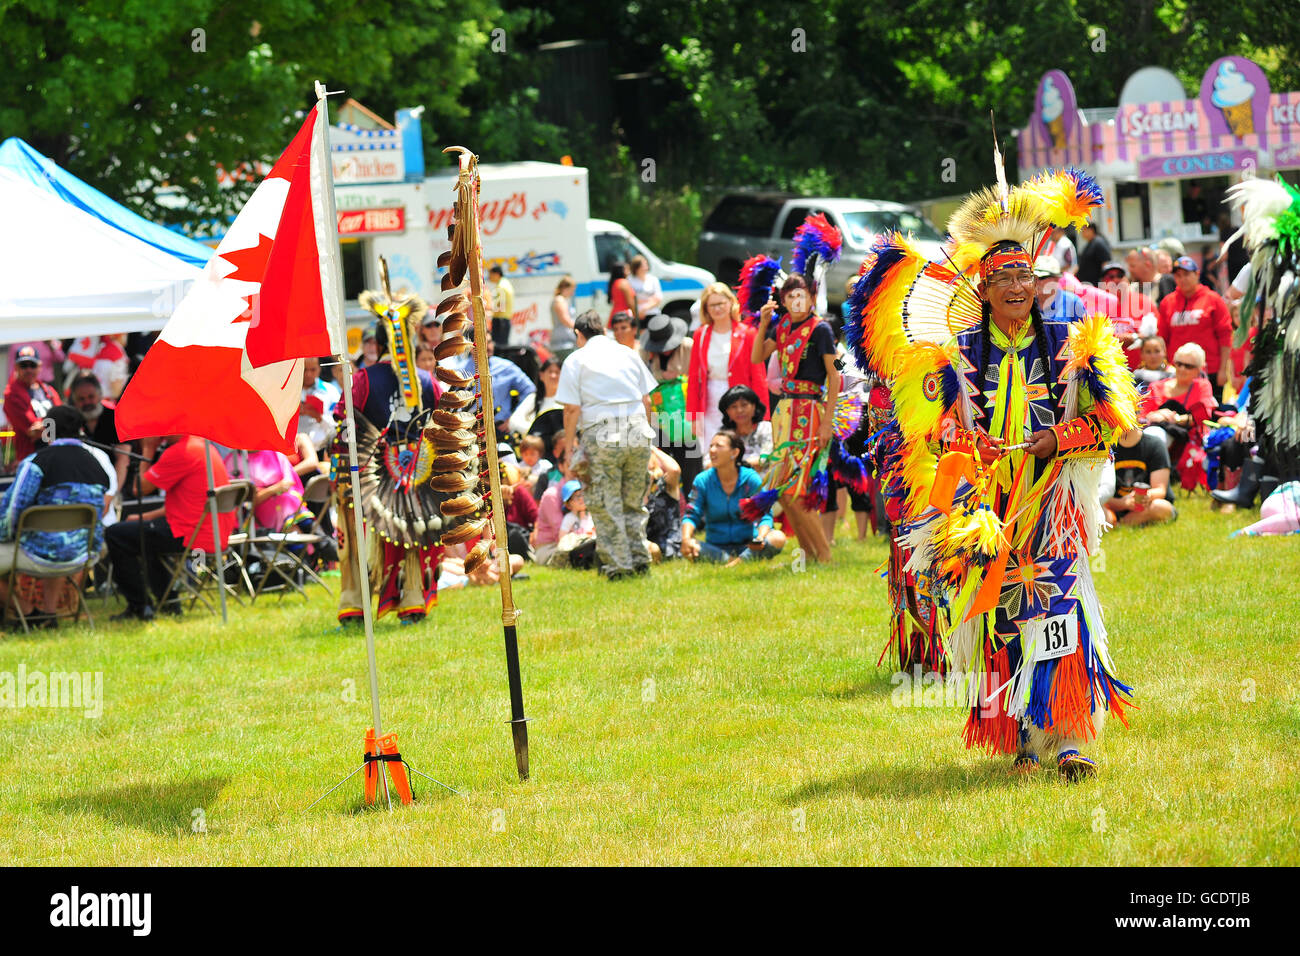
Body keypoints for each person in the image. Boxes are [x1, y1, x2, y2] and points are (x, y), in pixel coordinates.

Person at [854, 165, 1135, 779]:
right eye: (1002, 275)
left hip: (1051, 501)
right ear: (982, 287)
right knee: (1005, 618)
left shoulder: (1073, 340)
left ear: (1038, 285)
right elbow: (930, 436)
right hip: (987, 506)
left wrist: (1056, 438)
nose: (1015, 284)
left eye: (1024, 275)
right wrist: (960, 489)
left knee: (1058, 610)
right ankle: (1025, 741)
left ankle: (1067, 739)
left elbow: (1120, 424)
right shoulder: (956, 358)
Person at [336, 287, 447, 624]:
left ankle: (356, 602)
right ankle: (412, 599)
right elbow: (442, 424)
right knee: (413, 528)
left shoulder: (363, 380)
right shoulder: (429, 381)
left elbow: (345, 420)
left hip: (372, 474)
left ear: (379, 344)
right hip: (418, 471)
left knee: (361, 533)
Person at [557, 310, 658, 580]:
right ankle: (640, 560)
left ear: (579, 334)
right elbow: (647, 400)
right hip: (637, 430)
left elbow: (571, 409)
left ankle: (619, 566)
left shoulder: (577, 359)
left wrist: (569, 447)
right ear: (601, 329)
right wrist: (648, 438)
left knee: (605, 501)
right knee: (633, 500)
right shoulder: (627, 353)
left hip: (601, 433)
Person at [751, 274, 838, 564]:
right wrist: (763, 323)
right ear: (783, 301)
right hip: (784, 412)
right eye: (790, 296)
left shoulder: (821, 329)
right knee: (785, 493)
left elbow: (834, 376)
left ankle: (824, 556)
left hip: (809, 411)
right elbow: (756, 358)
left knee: (797, 489)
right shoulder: (782, 326)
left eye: (801, 295)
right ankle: (809, 554)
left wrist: (827, 423)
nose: (796, 301)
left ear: (812, 298)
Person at [104, 434, 236, 621]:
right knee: (142, 534)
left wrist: (148, 449)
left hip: (193, 535)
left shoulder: (180, 452)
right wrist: (146, 517)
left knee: (115, 534)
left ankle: (139, 606)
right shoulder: (203, 446)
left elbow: (139, 488)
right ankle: (168, 601)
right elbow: (189, 502)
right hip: (214, 532)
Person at [0, 406, 110, 627]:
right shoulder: (98, 466)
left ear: (48, 429)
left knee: (48, 540)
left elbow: (12, 511)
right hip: (83, 554)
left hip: (37, 554)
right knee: (59, 538)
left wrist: (4, 537)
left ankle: (28, 613)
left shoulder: (36, 463)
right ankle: (48, 615)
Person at [687, 282, 768, 456]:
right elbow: (694, 377)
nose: (717, 309)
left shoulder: (748, 333)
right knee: (712, 452)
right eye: (712, 305)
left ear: (731, 303)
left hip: (739, 401)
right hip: (709, 400)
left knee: (738, 450)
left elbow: (758, 376)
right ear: (706, 309)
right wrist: (693, 417)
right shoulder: (700, 335)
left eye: (721, 303)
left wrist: (763, 416)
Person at [681, 430, 785, 563]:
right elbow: (691, 514)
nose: (712, 450)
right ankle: (739, 562)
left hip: (749, 545)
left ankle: (735, 562)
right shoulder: (702, 480)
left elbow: (764, 514)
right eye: (711, 446)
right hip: (716, 547)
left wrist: (760, 537)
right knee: (691, 546)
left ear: (734, 453)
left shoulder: (750, 479)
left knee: (777, 537)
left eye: (718, 446)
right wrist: (686, 539)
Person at [1157, 255, 1233, 404]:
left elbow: (1225, 336)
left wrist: (1223, 370)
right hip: (1178, 371)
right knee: (1179, 414)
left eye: (1186, 274)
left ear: (1197, 274)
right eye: (1178, 275)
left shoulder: (1213, 299)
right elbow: (1162, 338)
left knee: (1210, 415)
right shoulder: (1168, 302)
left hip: (1209, 370)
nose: (1182, 279)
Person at [1142, 342, 1215, 490]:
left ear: (1199, 369)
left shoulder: (1202, 386)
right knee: (1153, 434)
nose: (1182, 369)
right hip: (1157, 431)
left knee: (1154, 435)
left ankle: (1156, 484)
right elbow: (1142, 416)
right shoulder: (1157, 386)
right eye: (1179, 364)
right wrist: (1158, 414)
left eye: (1188, 366)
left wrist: (1175, 419)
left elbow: (1205, 416)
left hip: (1187, 437)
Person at [640, 312, 698, 491]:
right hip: (659, 419)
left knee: (690, 466)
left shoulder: (688, 347)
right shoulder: (644, 353)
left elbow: (700, 376)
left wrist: (680, 377)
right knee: (663, 467)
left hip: (687, 418)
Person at [1105, 412, 1175, 527]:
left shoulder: (1154, 444)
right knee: (1095, 509)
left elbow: (1160, 490)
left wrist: (1145, 496)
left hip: (1146, 506)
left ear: (1137, 414)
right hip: (1115, 505)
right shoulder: (1106, 447)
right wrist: (1123, 503)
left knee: (1160, 507)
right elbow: (1098, 494)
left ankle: (1120, 524)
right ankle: (1120, 523)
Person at [68, 372, 129, 496]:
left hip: (116, 484)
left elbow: (123, 459)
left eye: (91, 397)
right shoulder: (70, 421)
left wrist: (113, 494)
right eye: (81, 399)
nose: (87, 403)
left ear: (100, 395)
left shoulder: (116, 417)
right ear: (74, 401)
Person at [461, 331, 536, 431]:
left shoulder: (506, 367)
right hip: (468, 432)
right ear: (470, 347)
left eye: (490, 342)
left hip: (500, 430)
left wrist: (514, 418)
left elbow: (530, 391)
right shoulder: (459, 372)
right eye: (482, 342)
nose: (488, 346)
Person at [4, 345, 62, 464]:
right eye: (24, 366)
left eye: (32, 365)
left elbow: (63, 418)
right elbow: (32, 430)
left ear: (39, 367)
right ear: (16, 367)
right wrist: (55, 426)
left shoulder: (48, 390)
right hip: (32, 459)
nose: (29, 369)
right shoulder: (12, 393)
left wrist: (44, 427)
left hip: (55, 454)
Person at [1098, 259, 1153, 369]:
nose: (1116, 280)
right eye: (1110, 277)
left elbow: (1154, 335)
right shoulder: (1096, 306)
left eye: (1120, 275)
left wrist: (1133, 337)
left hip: (1139, 371)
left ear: (1127, 280)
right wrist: (1118, 339)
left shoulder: (1143, 302)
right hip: (1108, 372)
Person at [718, 385, 772, 476]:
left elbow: (765, 460)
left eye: (744, 405)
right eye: (734, 407)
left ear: (754, 406)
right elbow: (709, 464)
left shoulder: (766, 428)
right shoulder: (724, 435)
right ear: (727, 412)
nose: (739, 410)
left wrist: (731, 466)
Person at [1032, 255, 1085, 322]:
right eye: (1034, 278)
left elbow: (1086, 330)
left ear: (1056, 280)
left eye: (1042, 278)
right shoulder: (1028, 303)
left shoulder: (1073, 302)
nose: (1037, 282)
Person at [628, 255, 663, 323]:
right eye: (643, 265)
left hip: (653, 313)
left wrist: (644, 309)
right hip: (637, 315)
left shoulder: (653, 279)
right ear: (636, 268)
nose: (646, 267)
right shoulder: (630, 280)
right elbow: (630, 299)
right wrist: (649, 299)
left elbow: (658, 298)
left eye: (646, 264)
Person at [1076, 220, 1112, 285]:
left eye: (1084, 230)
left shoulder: (1099, 242)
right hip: (1086, 282)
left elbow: (1105, 262)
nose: (1082, 232)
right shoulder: (1090, 243)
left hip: (1095, 283)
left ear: (1091, 230)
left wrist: (1104, 280)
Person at [550, 275, 578, 358]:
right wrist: (579, 328)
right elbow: (565, 320)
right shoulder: (559, 300)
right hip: (563, 342)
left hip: (566, 340)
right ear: (566, 288)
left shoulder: (561, 300)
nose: (572, 293)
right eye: (572, 290)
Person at [488, 265, 516, 348]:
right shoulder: (506, 283)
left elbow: (501, 307)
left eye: (490, 274)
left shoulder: (501, 286)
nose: (489, 277)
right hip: (504, 321)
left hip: (500, 322)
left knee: (498, 348)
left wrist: (489, 313)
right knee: (503, 346)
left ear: (496, 274)